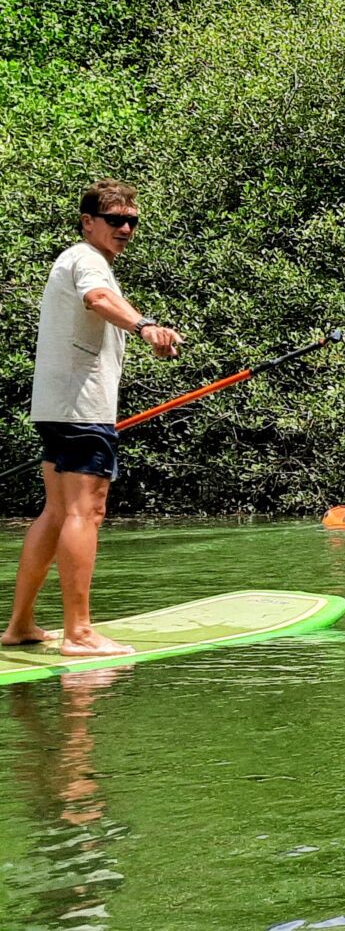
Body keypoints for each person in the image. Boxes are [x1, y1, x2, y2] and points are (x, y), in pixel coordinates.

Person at [2, 179, 183, 657]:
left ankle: (20, 625)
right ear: (88, 222)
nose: (125, 228)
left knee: (58, 512)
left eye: (132, 221)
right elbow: (99, 300)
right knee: (88, 512)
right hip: (82, 411)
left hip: (56, 407)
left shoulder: (79, 260)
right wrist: (146, 326)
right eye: (115, 219)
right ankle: (79, 633)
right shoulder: (86, 260)